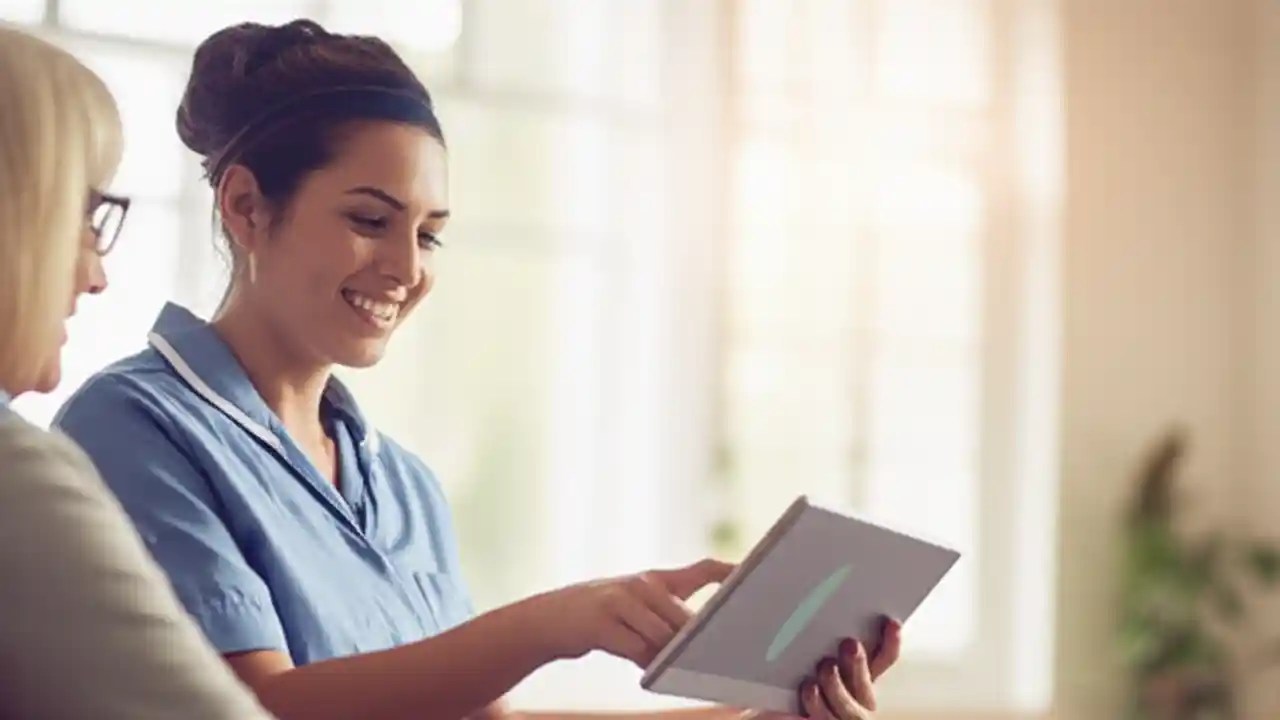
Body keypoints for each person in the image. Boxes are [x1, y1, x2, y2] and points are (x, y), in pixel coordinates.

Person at [55, 19, 899, 720]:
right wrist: (551, 625)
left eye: (427, 235)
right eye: (369, 218)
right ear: (245, 205)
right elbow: (257, 708)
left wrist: (767, 711)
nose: (405, 267)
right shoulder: (131, 429)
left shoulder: (404, 487)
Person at [0, 27, 275, 719]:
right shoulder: (29, 472)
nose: (97, 274)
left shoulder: (399, 478)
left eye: (430, 233)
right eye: (83, 214)